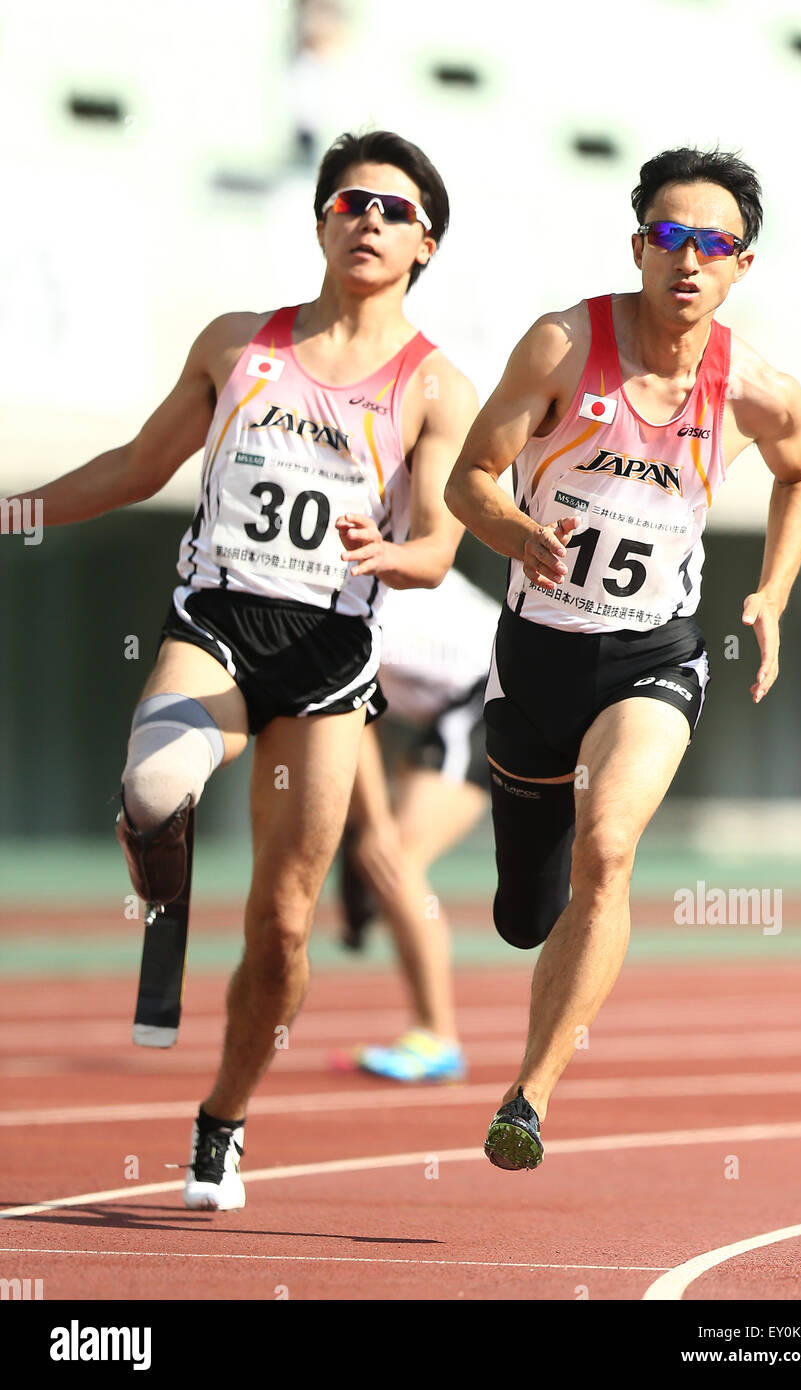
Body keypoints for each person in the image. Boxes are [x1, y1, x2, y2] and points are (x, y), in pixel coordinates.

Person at [5, 129, 477, 1208]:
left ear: (425, 245)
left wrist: (390, 555)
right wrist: (12, 511)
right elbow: (137, 468)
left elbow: (439, 549)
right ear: (319, 221)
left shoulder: (434, 387)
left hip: (328, 663)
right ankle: (158, 861)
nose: (368, 220)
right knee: (152, 785)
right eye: (350, 202)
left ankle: (224, 1117)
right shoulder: (238, 345)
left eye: (394, 210)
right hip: (215, 625)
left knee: (282, 929)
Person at [444, 147, 801, 1171]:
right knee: (525, 914)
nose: (688, 260)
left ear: (740, 265)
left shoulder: (757, 388)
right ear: (638, 246)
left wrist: (773, 591)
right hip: (536, 656)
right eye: (670, 237)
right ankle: (534, 906)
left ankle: (529, 1095)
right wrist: (517, 532)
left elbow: (798, 476)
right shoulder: (563, 346)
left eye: (713, 244)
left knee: (608, 848)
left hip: (654, 656)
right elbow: (468, 478)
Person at [333, 564, 500, 1082]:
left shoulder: (338, 596)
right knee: (385, 856)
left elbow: (351, 716)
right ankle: (432, 1033)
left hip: (488, 695)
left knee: (394, 859)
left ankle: (438, 1036)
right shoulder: (350, 581)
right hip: (469, 701)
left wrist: (372, 826)